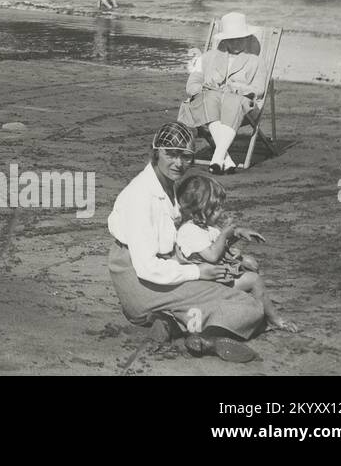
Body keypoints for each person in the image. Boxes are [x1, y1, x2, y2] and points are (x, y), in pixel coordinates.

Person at [106, 122, 264, 361]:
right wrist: (197, 271)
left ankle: (169, 321)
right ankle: (208, 336)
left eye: (185, 156)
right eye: (170, 154)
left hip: (154, 277)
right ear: (156, 151)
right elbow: (147, 267)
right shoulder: (140, 196)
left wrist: (232, 232)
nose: (178, 163)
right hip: (142, 282)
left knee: (217, 288)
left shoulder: (164, 184)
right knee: (248, 305)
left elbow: (192, 223)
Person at [175, 174, 297, 332]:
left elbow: (220, 242)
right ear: (201, 210)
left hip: (215, 276)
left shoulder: (204, 227)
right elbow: (212, 256)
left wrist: (239, 232)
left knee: (249, 262)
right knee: (254, 280)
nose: (221, 211)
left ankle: (255, 312)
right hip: (203, 284)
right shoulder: (189, 230)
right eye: (216, 208)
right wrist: (225, 234)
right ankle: (274, 319)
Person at [177, 11, 261, 174]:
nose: (236, 42)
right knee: (209, 98)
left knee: (232, 101)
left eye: (240, 38)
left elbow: (259, 89)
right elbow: (192, 85)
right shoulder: (207, 58)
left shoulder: (255, 61)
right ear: (224, 39)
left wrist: (237, 87)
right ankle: (226, 160)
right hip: (211, 104)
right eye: (231, 38)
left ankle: (217, 158)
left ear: (247, 38)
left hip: (241, 105)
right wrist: (205, 87)